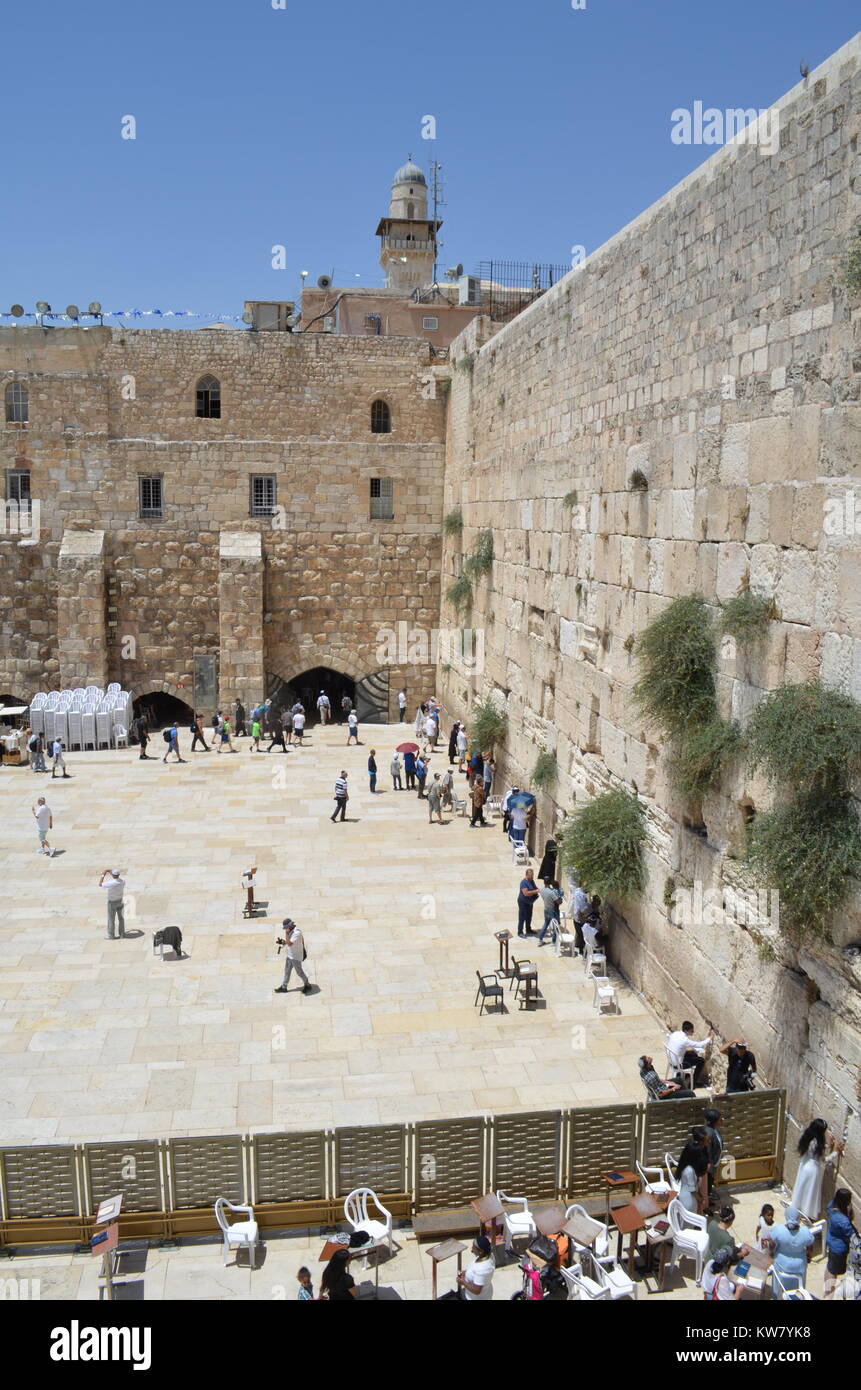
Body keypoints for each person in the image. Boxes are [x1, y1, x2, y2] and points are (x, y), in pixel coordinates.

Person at [792, 1117, 845, 1221]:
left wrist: (828, 1146)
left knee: (801, 1190)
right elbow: (824, 1159)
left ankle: (797, 1211)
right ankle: (807, 1214)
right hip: (812, 1171)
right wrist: (836, 1152)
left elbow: (815, 1149)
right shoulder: (817, 1143)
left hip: (804, 1166)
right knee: (810, 1193)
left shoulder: (807, 1138)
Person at [769, 1207, 814, 1290]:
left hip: (781, 1265)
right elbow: (810, 1247)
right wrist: (808, 1257)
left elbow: (771, 1245)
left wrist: (771, 1254)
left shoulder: (779, 1230)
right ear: (798, 1217)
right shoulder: (805, 1231)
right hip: (799, 1267)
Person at [824, 1190, 858, 1298]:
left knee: (830, 1266)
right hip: (839, 1249)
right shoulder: (842, 1220)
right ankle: (828, 1293)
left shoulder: (831, 1206)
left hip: (832, 1243)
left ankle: (827, 1290)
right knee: (833, 1270)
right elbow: (852, 1235)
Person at [667, 1022, 714, 1088]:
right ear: (686, 1031)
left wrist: (688, 1051)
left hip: (672, 1060)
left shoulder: (675, 1033)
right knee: (701, 1061)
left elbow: (677, 1047)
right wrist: (710, 1038)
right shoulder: (684, 1040)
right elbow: (700, 1045)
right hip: (678, 1064)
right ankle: (694, 1083)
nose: (693, 1032)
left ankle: (681, 1075)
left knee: (693, 1054)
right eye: (691, 1031)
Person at [675, 1128, 710, 1214]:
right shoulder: (689, 1171)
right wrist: (700, 1199)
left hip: (689, 1197)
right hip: (689, 1200)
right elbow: (692, 1191)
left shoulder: (688, 1168)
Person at [274, 918, 311, 995]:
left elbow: (290, 943)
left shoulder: (297, 932)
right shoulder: (290, 931)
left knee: (299, 972)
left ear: (290, 926)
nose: (285, 930)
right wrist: (283, 942)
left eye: (286, 928)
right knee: (287, 971)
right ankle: (284, 987)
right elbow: (288, 942)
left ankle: (307, 984)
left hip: (295, 957)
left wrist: (286, 934)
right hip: (290, 955)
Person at [455, 1234, 495, 1301]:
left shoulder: (483, 1269)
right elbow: (475, 1271)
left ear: (481, 1251)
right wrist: (466, 1272)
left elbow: (477, 1290)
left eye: (474, 1247)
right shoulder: (488, 1255)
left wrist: (463, 1282)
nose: (472, 1249)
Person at [99, 868, 126, 940]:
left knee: (111, 919)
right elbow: (115, 876)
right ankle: (122, 933)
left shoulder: (111, 883)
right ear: (118, 874)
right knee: (121, 918)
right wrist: (108, 871)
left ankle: (111, 935)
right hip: (120, 901)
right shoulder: (123, 881)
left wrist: (103, 875)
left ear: (113, 875)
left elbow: (100, 884)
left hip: (112, 903)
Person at [704, 1108, 724, 1200]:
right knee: (706, 1184)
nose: (722, 1120)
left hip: (713, 1163)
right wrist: (709, 1166)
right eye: (720, 1119)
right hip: (708, 1166)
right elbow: (707, 1151)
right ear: (715, 1121)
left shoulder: (714, 1130)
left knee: (710, 1182)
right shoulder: (709, 1133)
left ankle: (708, 1196)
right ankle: (706, 1204)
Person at [538, 878, 564, 946]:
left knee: (546, 924)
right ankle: (554, 941)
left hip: (546, 909)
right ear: (550, 883)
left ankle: (540, 939)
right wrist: (560, 898)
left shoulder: (541, 890)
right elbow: (558, 902)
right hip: (553, 911)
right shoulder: (551, 892)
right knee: (556, 925)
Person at [516, 868, 540, 937]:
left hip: (530, 902)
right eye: (530, 875)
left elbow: (535, 888)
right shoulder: (523, 883)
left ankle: (528, 929)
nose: (532, 877)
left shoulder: (532, 881)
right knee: (522, 917)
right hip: (523, 902)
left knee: (529, 916)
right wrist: (535, 891)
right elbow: (526, 893)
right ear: (526, 875)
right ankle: (520, 932)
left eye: (532, 875)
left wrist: (539, 890)